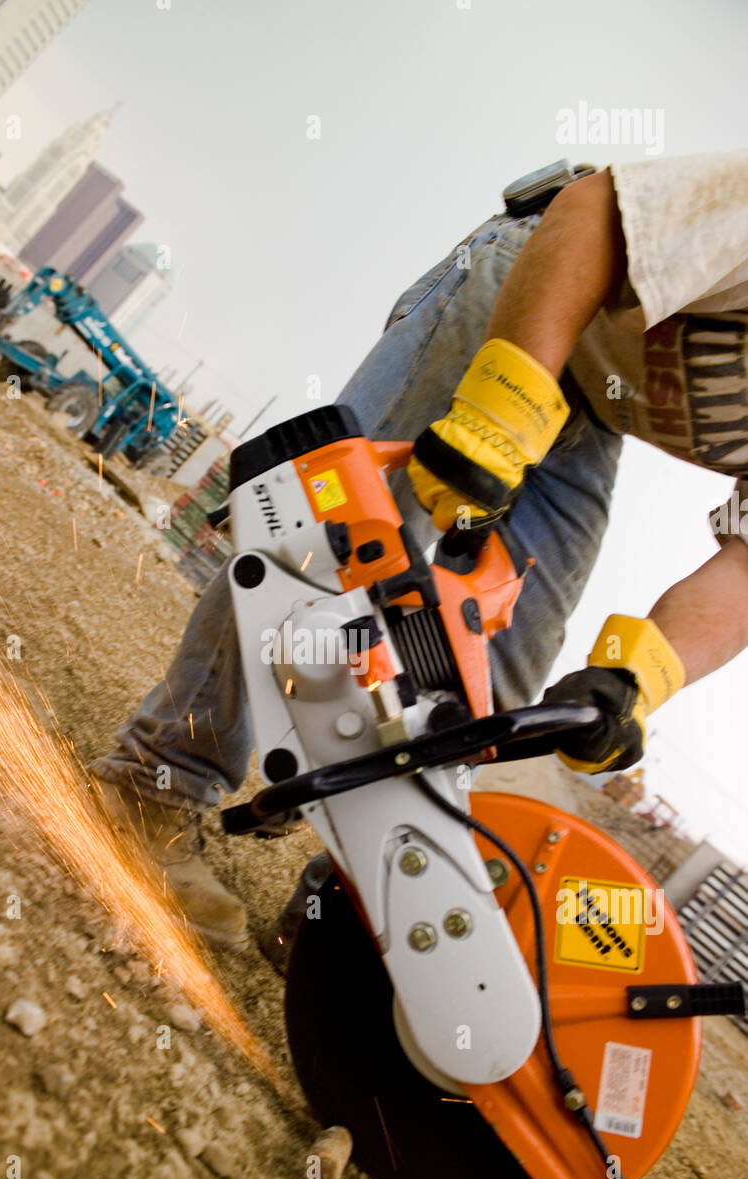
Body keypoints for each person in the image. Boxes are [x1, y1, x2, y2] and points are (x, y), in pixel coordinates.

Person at [91, 153, 748, 953]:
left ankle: (351, 910)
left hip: (601, 407)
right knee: (326, 539)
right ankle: (155, 783)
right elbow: (595, 212)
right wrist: (498, 413)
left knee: (500, 660)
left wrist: (638, 680)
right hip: (534, 278)